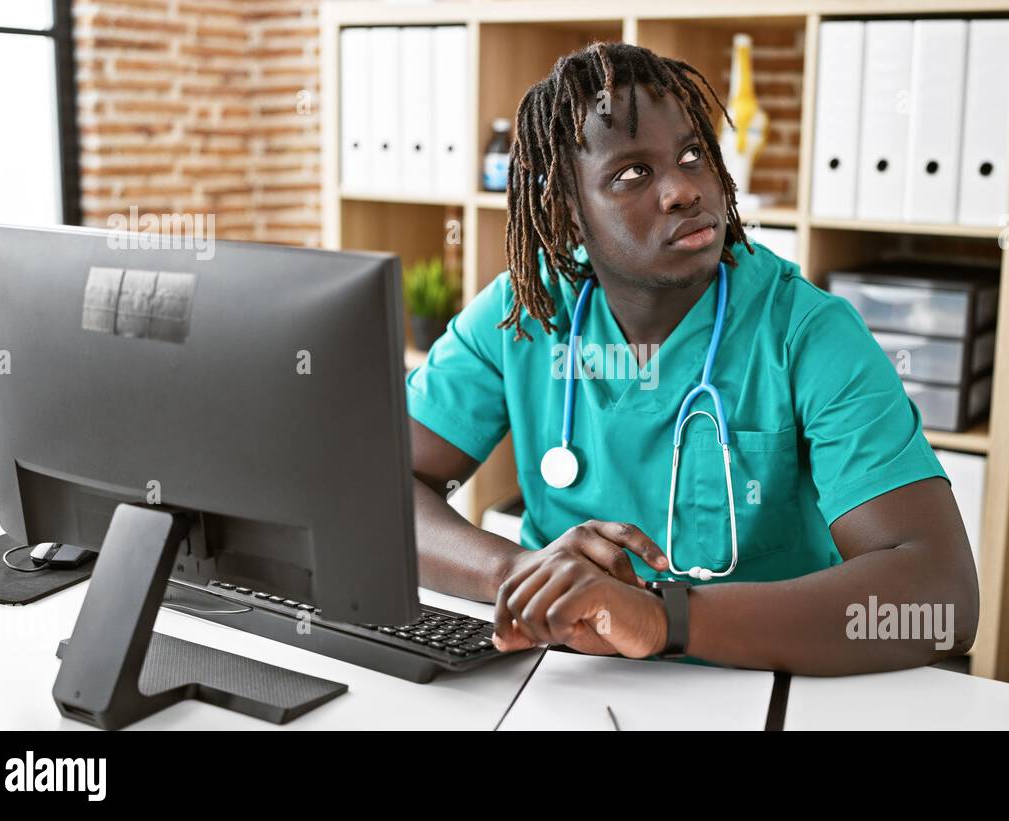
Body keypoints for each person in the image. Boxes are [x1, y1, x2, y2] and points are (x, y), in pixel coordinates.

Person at [406, 42, 978, 676]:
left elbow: (941, 599)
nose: (682, 189)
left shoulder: (807, 331)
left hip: (769, 685)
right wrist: (521, 573)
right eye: (632, 174)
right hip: (566, 684)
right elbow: (385, 486)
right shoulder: (527, 310)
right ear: (567, 213)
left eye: (691, 155)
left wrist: (661, 618)